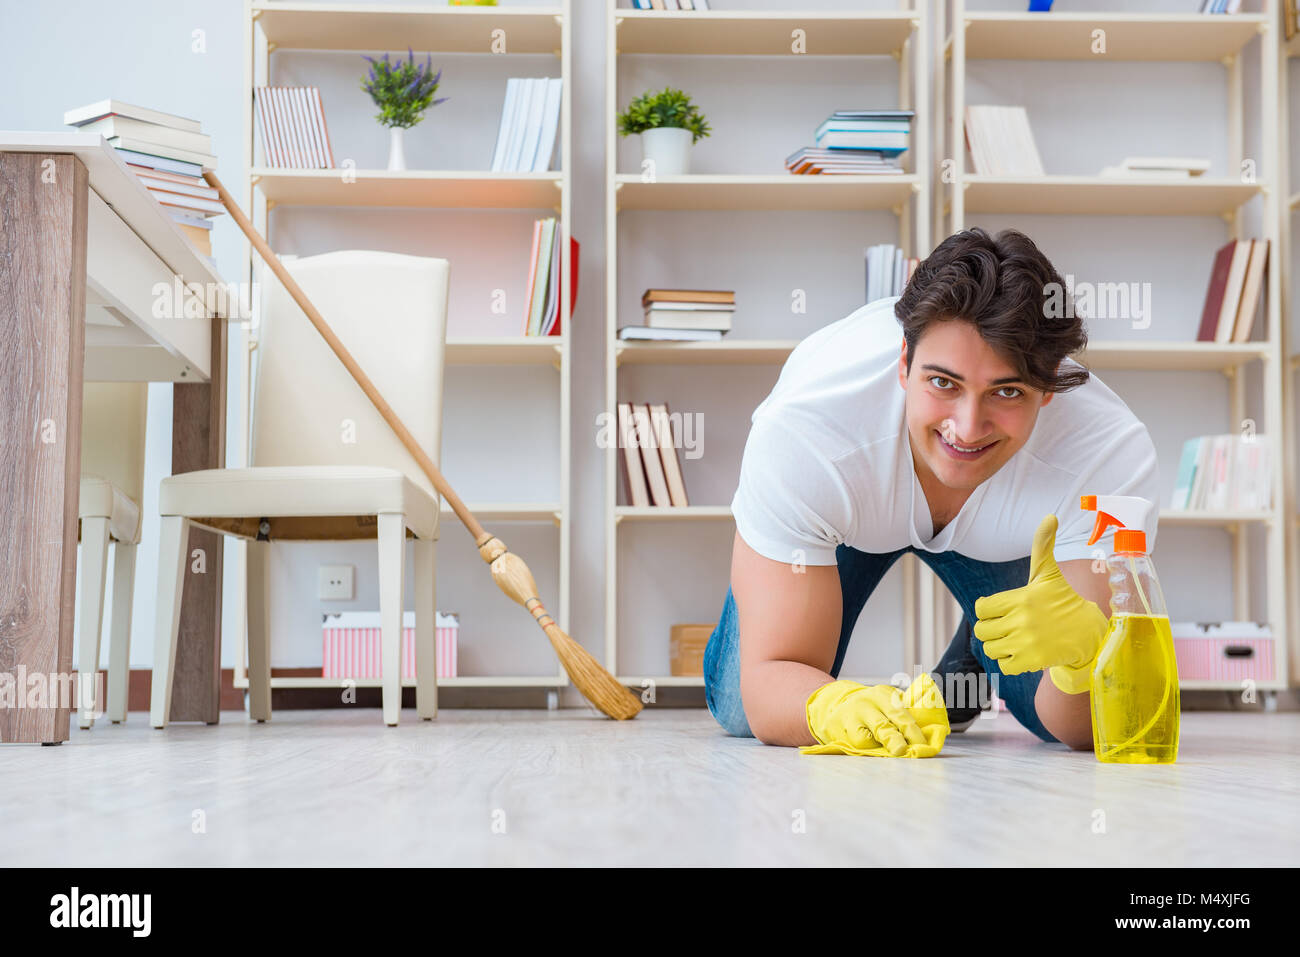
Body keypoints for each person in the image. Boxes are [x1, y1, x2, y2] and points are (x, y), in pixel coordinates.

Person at [704, 227, 1160, 753]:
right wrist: (830, 707)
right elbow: (768, 685)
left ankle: (976, 648)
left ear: (1050, 385)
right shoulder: (807, 432)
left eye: (1007, 391)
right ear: (904, 364)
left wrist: (1084, 658)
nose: (967, 429)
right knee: (741, 713)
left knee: (1061, 724)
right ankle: (982, 635)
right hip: (852, 516)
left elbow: (1093, 724)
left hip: (1014, 540)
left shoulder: (1109, 453)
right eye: (943, 383)